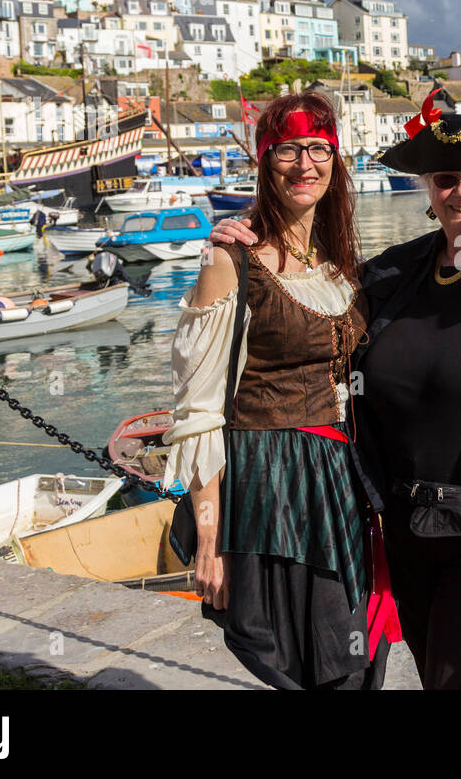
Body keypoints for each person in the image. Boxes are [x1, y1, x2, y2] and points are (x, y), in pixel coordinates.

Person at [211, 94, 461, 688]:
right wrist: (253, 233)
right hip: (408, 532)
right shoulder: (393, 271)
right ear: (429, 189)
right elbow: (310, 311)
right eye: (445, 178)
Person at [161, 91, 386, 690]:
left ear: (337, 162)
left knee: (360, 660)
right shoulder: (230, 261)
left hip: (342, 484)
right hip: (274, 487)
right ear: (265, 160)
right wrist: (211, 538)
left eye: (319, 149)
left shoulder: (343, 266)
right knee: (315, 666)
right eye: (288, 149)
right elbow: (199, 410)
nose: (305, 164)